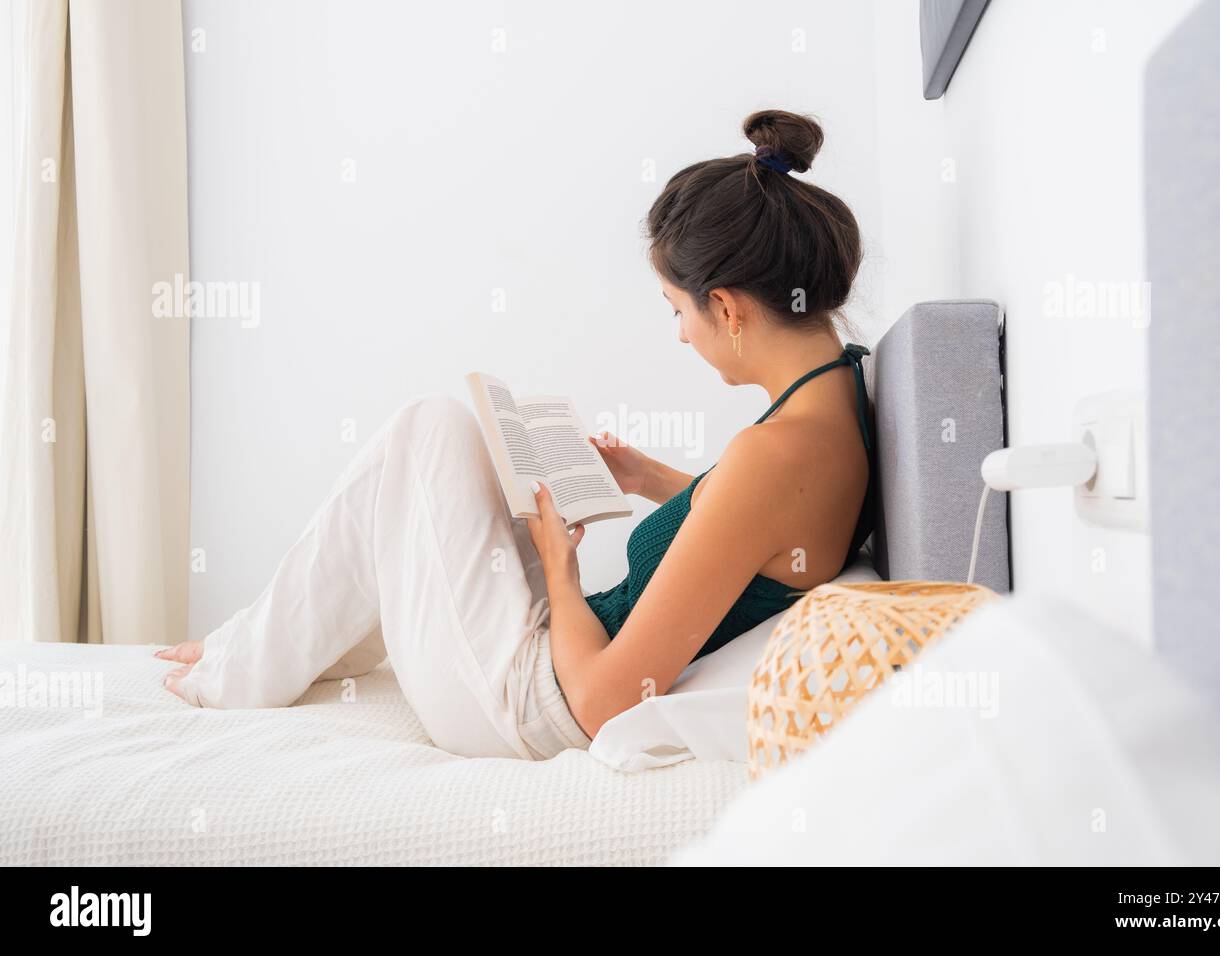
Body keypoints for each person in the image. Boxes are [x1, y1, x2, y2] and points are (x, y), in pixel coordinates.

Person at [159, 109, 876, 761]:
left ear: (727, 306)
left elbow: (601, 706)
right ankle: (269, 648)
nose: (682, 336)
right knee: (442, 449)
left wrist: (560, 572)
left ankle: (246, 662)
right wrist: (646, 476)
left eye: (677, 310)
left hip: (534, 708)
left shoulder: (776, 452)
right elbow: (765, 535)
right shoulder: (835, 400)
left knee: (426, 428)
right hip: (554, 659)